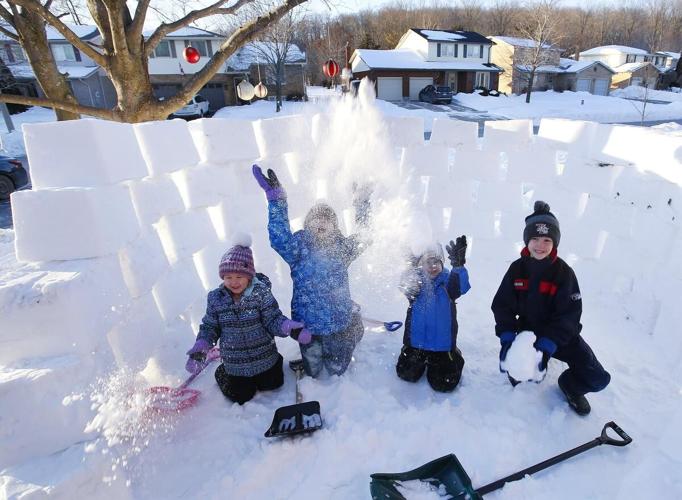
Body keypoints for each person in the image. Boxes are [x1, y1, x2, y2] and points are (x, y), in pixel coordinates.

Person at [491, 201, 611, 415]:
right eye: (535, 239)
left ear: (554, 243)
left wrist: (548, 345)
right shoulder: (517, 269)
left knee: (597, 379)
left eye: (547, 240)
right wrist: (508, 338)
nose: (540, 245)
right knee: (519, 377)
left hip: (561, 338)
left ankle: (570, 386)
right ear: (527, 240)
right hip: (528, 335)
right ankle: (527, 364)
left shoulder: (564, 273)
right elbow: (503, 305)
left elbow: (569, 316)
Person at [252, 165, 371, 377]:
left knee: (337, 369)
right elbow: (279, 237)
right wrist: (277, 201)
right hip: (308, 326)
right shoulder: (298, 249)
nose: (321, 222)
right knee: (313, 371)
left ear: (335, 226)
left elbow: (365, 237)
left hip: (338, 323)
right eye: (316, 218)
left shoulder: (342, 249)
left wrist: (362, 204)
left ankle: (355, 325)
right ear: (308, 224)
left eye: (327, 219)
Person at [184, 235, 312, 405]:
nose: (233, 282)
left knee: (274, 384)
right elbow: (210, 327)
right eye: (228, 277)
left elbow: (272, 319)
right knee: (242, 396)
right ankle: (222, 372)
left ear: (249, 276)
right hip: (235, 364)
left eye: (239, 277)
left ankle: (275, 362)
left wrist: (289, 328)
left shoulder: (260, 294)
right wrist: (202, 346)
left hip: (265, 358)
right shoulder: (216, 299)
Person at [396, 237, 469, 392]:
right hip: (417, 344)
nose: (433, 266)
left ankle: (453, 355)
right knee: (406, 374)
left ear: (443, 263)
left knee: (444, 384)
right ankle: (419, 357)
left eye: (436, 261)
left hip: (441, 346)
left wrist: (458, 267)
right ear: (420, 264)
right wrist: (410, 268)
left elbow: (461, 288)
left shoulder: (448, 281)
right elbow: (405, 286)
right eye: (427, 262)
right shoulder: (417, 282)